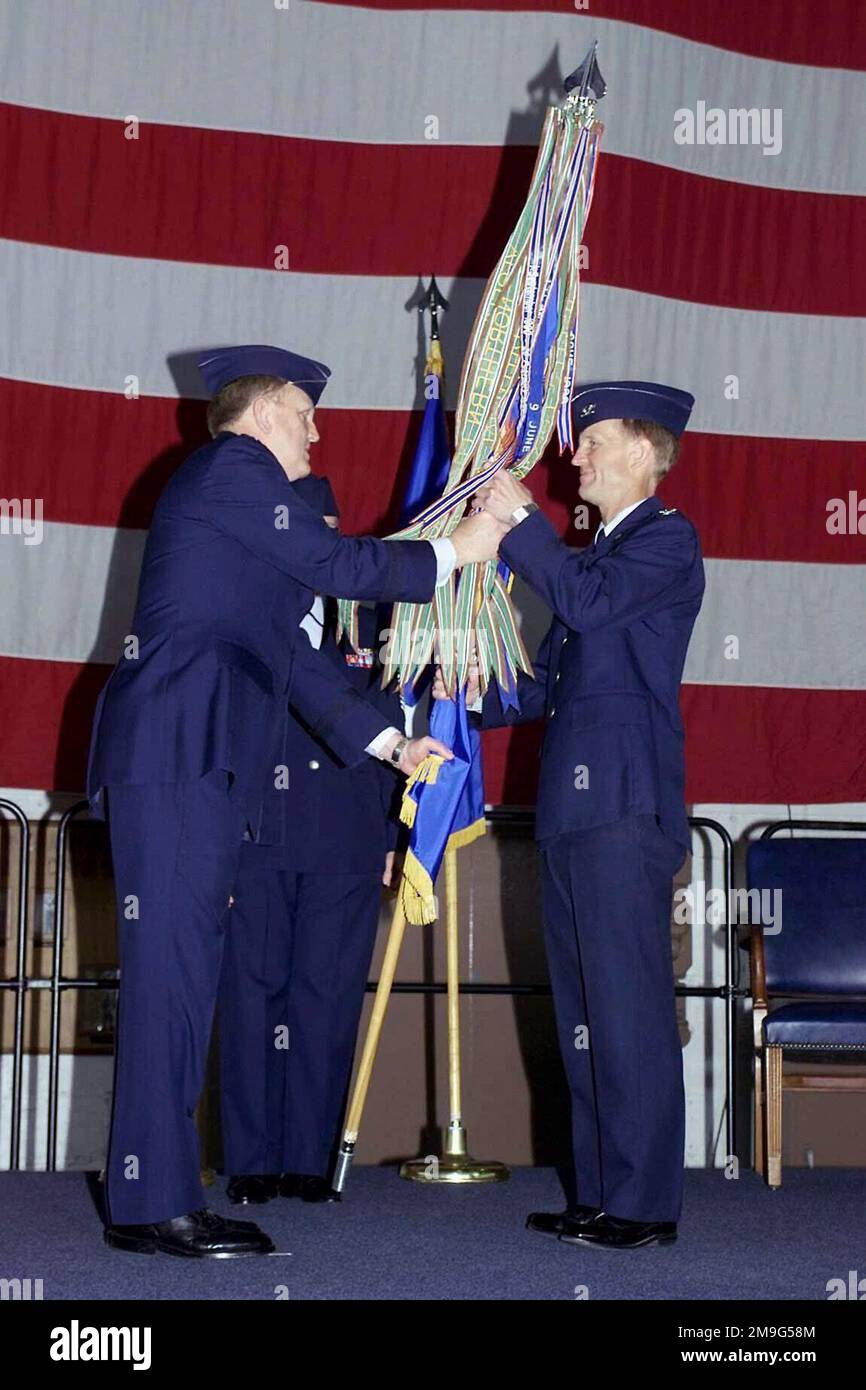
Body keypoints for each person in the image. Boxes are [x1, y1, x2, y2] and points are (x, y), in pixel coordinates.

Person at [88, 344, 501, 1257]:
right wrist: (459, 548)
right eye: (306, 412)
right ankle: (152, 1203)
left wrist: (391, 741)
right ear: (266, 409)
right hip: (179, 755)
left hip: (195, 763)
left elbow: (298, 663)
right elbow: (342, 566)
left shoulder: (237, 514)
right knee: (171, 980)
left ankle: (149, 1197)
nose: (316, 429)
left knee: (182, 980)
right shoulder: (232, 470)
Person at [437, 380, 705, 1250]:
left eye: (593, 441)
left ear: (644, 451)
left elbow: (585, 605)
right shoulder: (595, 558)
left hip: (625, 805)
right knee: (585, 1011)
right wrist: (458, 694)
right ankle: (600, 1189)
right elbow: (546, 681)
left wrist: (518, 526)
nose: (575, 455)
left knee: (626, 1006)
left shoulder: (667, 541)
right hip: (573, 810)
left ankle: (644, 1203)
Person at [218, 475, 404, 1205]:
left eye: (321, 529)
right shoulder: (242, 607)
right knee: (251, 997)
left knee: (325, 1000)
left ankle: (307, 1159)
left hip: (347, 833)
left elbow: (396, 713)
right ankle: (251, 1162)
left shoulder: (371, 614)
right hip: (258, 829)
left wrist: (396, 830)